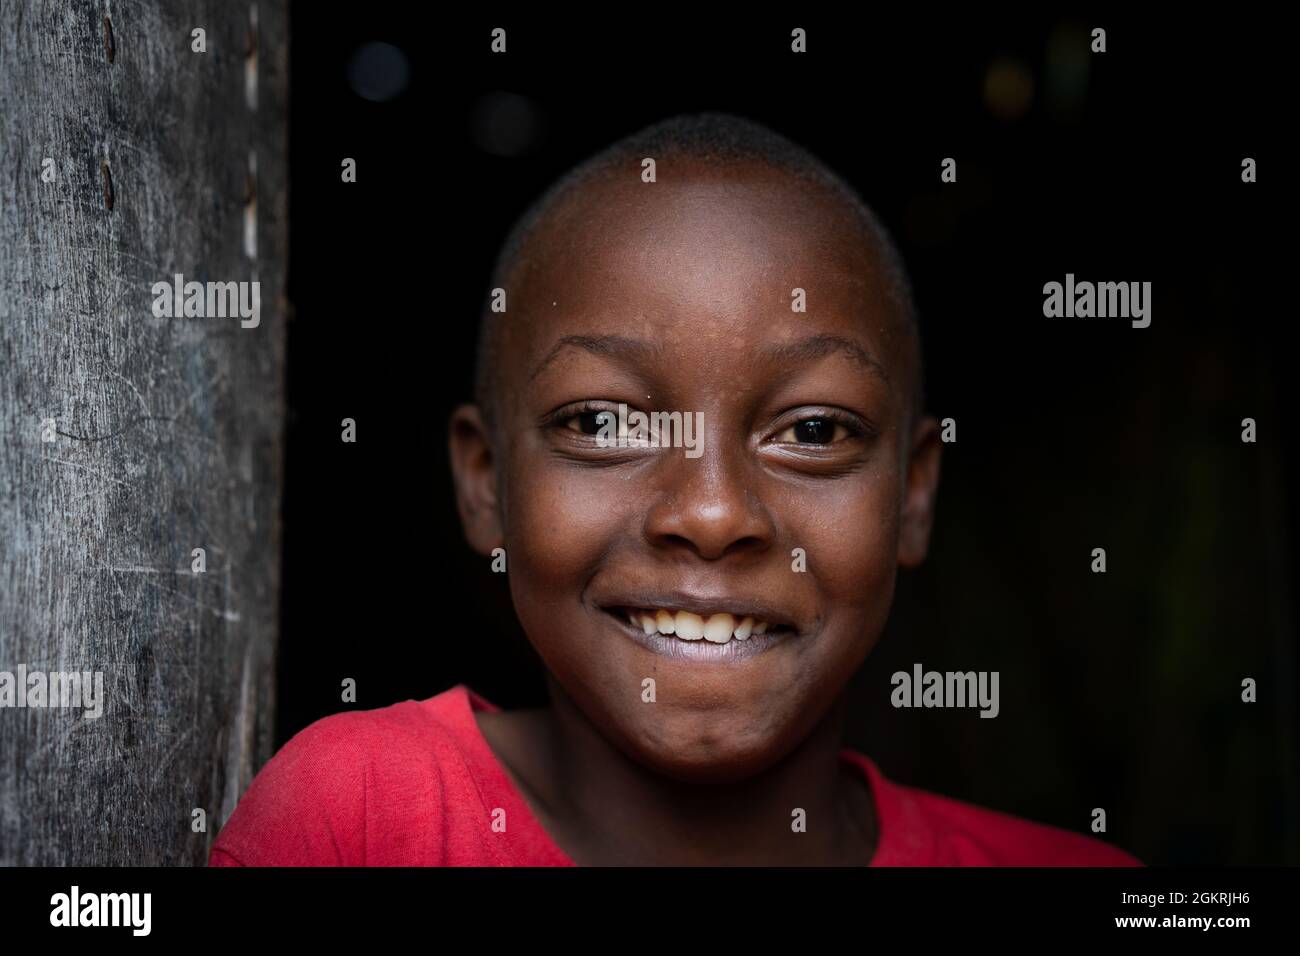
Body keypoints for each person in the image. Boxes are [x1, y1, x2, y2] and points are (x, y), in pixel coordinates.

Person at [210, 113, 1141, 866]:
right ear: (485, 482)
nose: (710, 514)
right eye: (604, 423)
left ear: (912, 495)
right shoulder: (369, 821)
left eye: (812, 432)